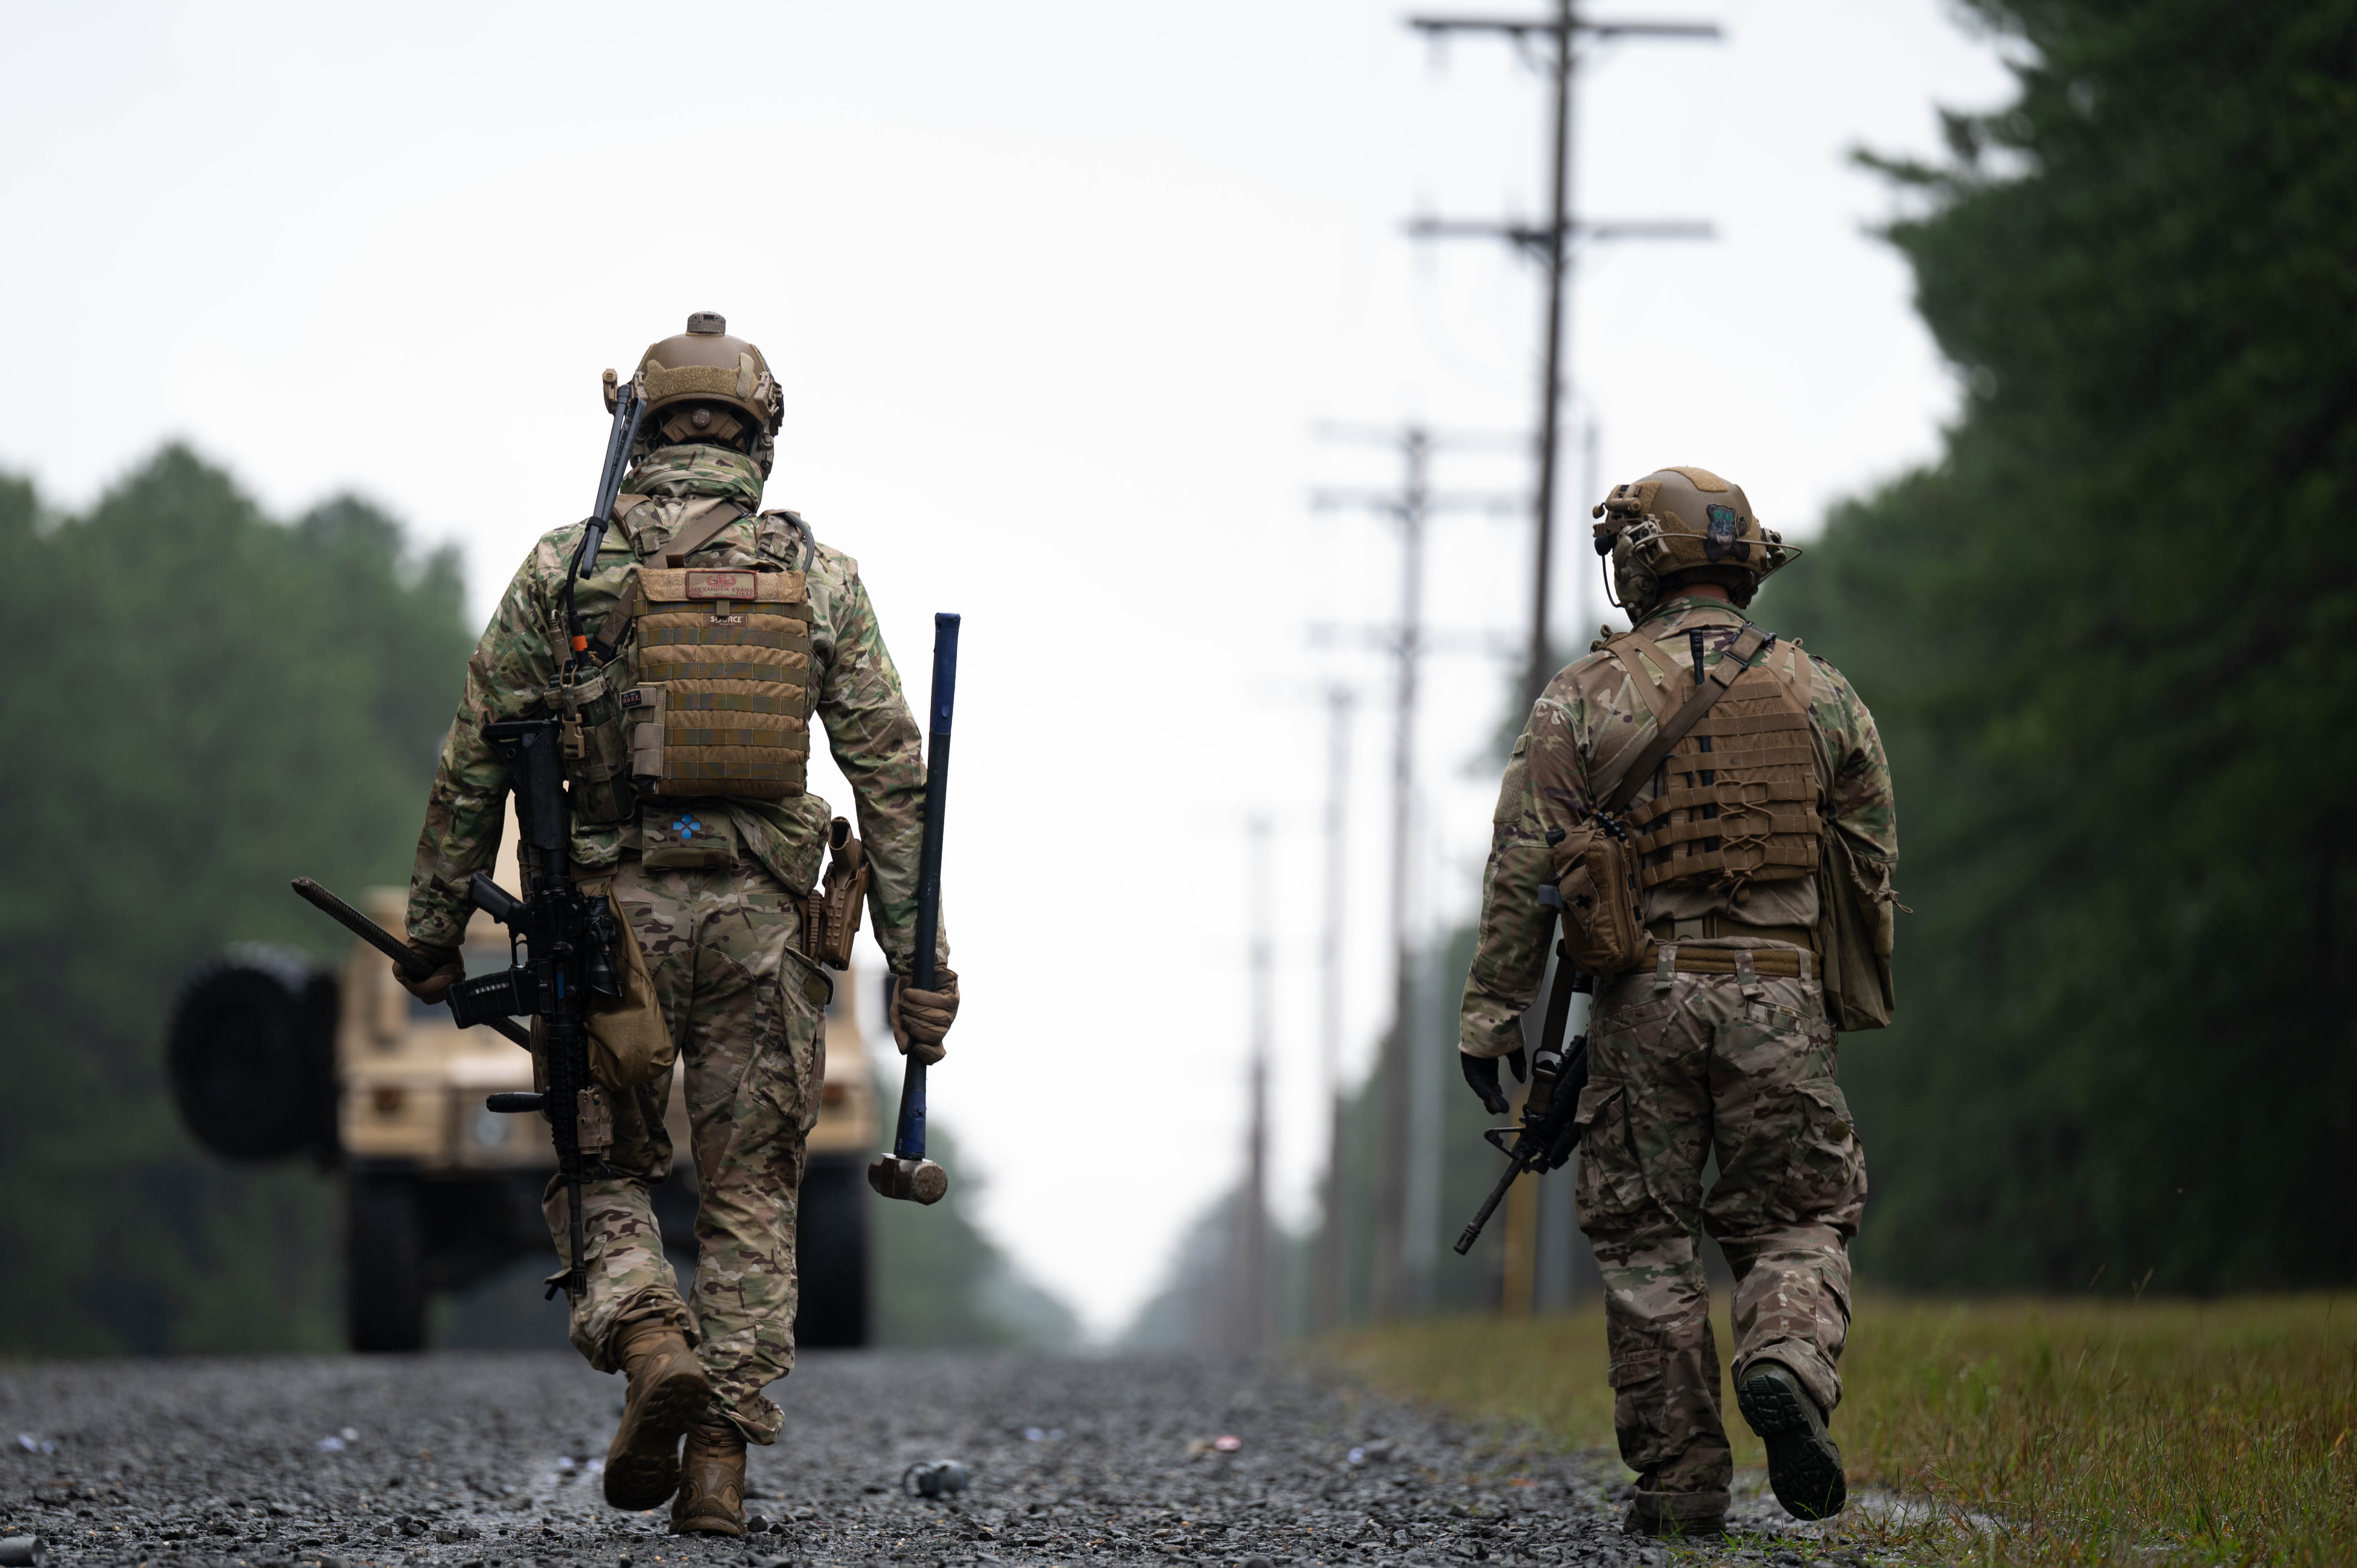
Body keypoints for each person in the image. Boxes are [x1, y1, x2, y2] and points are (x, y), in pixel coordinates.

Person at [397, 313, 960, 1536]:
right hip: (766, 929)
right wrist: (921, 963)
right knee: (753, 1192)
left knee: (601, 1159)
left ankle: (653, 1339)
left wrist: (437, 929)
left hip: (608, 928)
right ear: (760, 436)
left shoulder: (566, 568)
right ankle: (719, 1465)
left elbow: (468, 770)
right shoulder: (820, 578)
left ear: (641, 430)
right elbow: (893, 783)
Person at [1459, 466, 1897, 1538]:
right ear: (1745, 561)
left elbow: (1524, 864)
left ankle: (1681, 1483)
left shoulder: (1582, 694)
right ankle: (1787, 1358)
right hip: (1779, 994)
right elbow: (1868, 862)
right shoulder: (1821, 690)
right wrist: (1824, 993)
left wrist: (1491, 1013)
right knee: (1797, 1214)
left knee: (1646, 1244)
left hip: (1642, 1000)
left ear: (1640, 563)